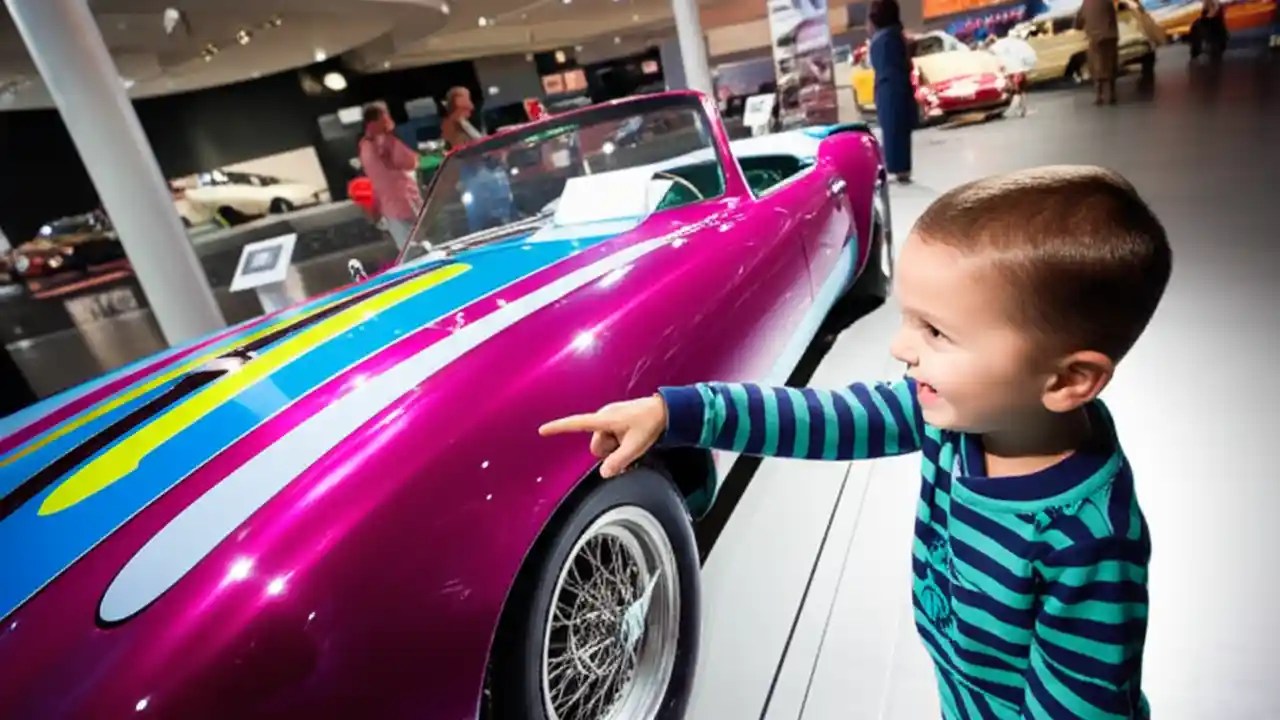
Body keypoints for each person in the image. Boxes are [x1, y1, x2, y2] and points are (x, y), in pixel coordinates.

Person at [541, 165, 1171, 719]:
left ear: (1067, 380)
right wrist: (674, 412)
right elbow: (826, 419)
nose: (901, 348)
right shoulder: (960, 417)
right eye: (907, 321)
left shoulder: (1088, 541)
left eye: (936, 333)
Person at [358, 103, 421, 250]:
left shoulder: (364, 147)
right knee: (419, 248)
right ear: (374, 122)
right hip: (405, 202)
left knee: (408, 251)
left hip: (390, 208)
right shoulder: (386, 142)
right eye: (385, 116)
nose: (388, 120)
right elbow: (410, 162)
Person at [867, 0, 916, 183]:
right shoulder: (894, 35)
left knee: (892, 127)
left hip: (890, 87)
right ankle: (900, 166)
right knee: (897, 128)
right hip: (896, 86)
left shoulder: (883, 38)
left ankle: (898, 167)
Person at [1076, 0, 1120, 105]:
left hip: (1095, 38)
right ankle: (1112, 94)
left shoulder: (1086, 3)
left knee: (1096, 66)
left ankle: (1099, 96)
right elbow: (1113, 16)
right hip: (1110, 36)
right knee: (1111, 64)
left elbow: (1078, 22)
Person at [440, 86, 483, 151]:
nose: (470, 106)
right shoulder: (450, 123)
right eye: (465, 98)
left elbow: (480, 139)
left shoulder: (467, 121)